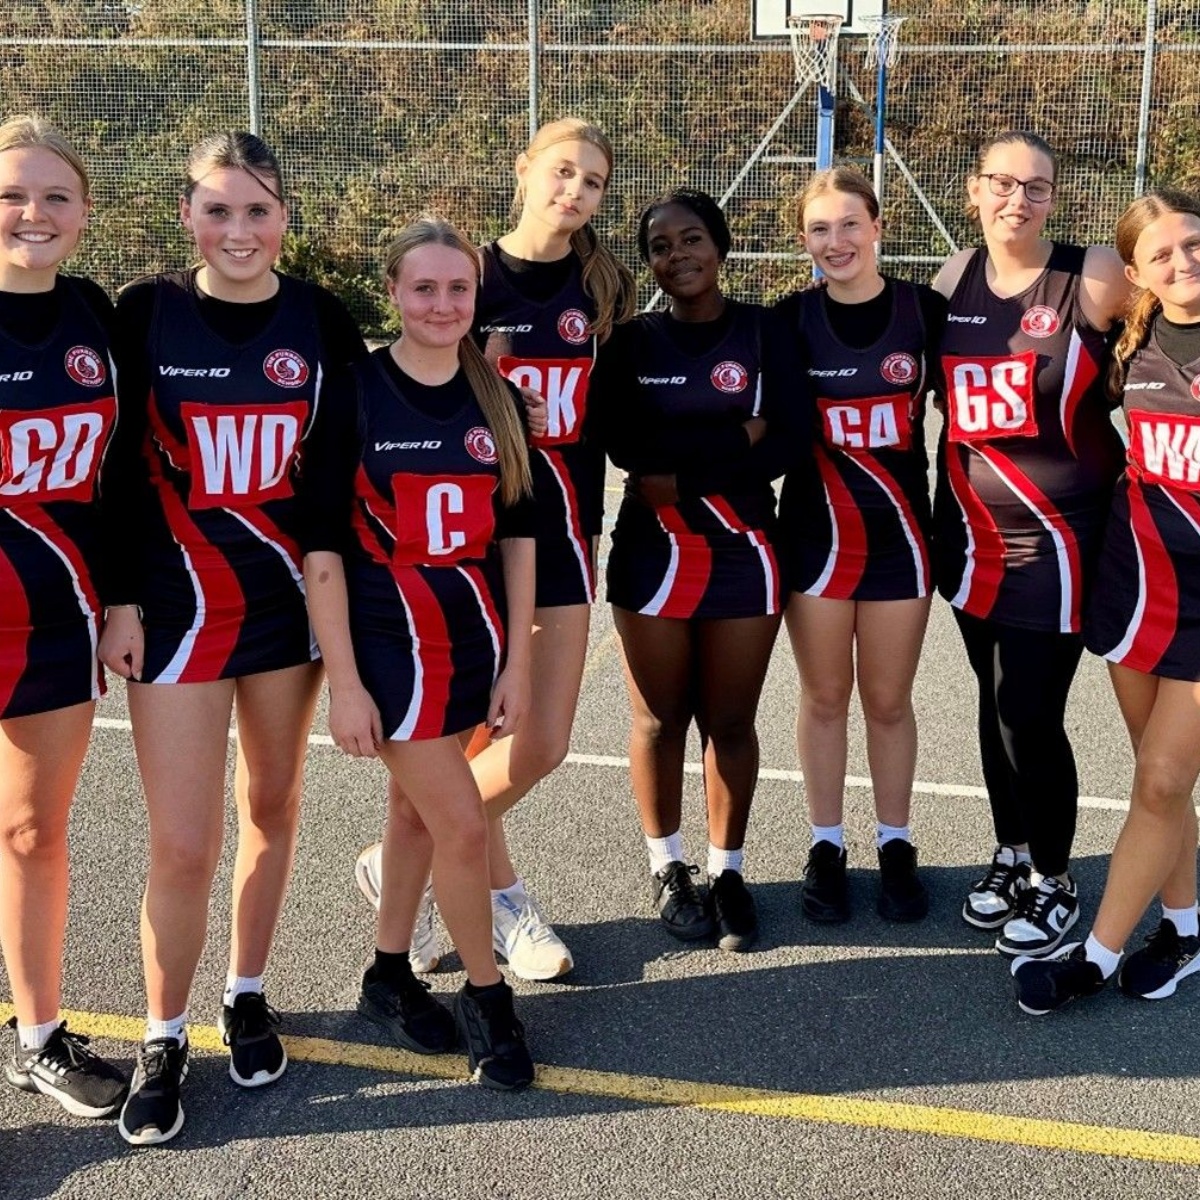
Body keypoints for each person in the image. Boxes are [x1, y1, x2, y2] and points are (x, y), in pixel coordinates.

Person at [98, 131, 367, 1144]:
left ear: (285, 218)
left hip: (286, 609)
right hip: (173, 612)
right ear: (187, 217)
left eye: (258, 210)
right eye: (219, 209)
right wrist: (117, 596)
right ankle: (161, 1036)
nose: (239, 229)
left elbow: (342, 479)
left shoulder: (321, 319)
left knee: (274, 805)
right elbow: (119, 463)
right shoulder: (145, 311)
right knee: (181, 841)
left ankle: (244, 992)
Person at [354, 117, 635, 981]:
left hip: (561, 528)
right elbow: (421, 382)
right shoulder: (468, 273)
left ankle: (407, 851)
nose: (574, 192)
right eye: (561, 172)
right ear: (524, 171)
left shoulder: (604, 284)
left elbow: (611, 411)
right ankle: (494, 894)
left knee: (539, 739)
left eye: (591, 181)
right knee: (464, 741)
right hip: (465, 540)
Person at [302, 216, 537, 1089]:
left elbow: (517, 539)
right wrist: (346, 684)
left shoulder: (497, 399)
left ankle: (387, 974)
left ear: (476, 297)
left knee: (412, 817)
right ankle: (488, 999)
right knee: (463, 826)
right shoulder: (355, 391)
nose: (442, 304)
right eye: (425, 287)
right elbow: (322, 551)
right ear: (393, 292)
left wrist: (515, 661)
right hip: (388, 649)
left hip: (470, 645)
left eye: (459, 288)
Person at [933, 130, 1130, 959]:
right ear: (974, 190)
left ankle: (1055, 876)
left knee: (1031, 714)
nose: (1019, 199)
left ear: (1056, 196)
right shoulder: (950, 279)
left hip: (1059, 541)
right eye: (1003, 184)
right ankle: (1011, 852)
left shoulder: (1091, 276)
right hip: (969, 536)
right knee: (993, 702)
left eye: (1038, 186)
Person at [594, 188, 797, 951]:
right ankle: (668, 867)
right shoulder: (631, 342)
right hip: (653, 553)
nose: (677, 256)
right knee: (657, 718)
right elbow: (623, 447)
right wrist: (734, 440)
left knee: (731, 720)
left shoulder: (764, 332)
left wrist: (691, 472)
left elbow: (788, 442)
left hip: (744, 549)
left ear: (721, 246)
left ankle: (728, 871)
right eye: (659, 246)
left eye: (691, 240)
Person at [1013, 188, 1200, 1013]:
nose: (1184, 262)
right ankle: (1186, 927)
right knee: (1164, 780)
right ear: (1136, 274)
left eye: (1194, 244)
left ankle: (1093, 956)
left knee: (1161, 781)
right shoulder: (1133, 338)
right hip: (1140, 587)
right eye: (1162, 254)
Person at [776, 166, 946, 924]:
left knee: (886, 700)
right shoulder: (788, 320)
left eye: (850, 224)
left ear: (879, 226)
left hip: (902, 541)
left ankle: (897, 845)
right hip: (816, 542)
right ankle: (825, 845)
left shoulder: (924, 313)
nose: (836, 241)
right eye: (820, 229)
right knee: (822, 697)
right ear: (804, 240)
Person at [0, 114, 127, 1119]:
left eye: (53, 196)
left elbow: (122, 477)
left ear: (83, 215)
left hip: (57, 620)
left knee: (34, 831)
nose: (32, 213)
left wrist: (122, 596)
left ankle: (36, 1035)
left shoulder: (94, 315)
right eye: (11, 195)